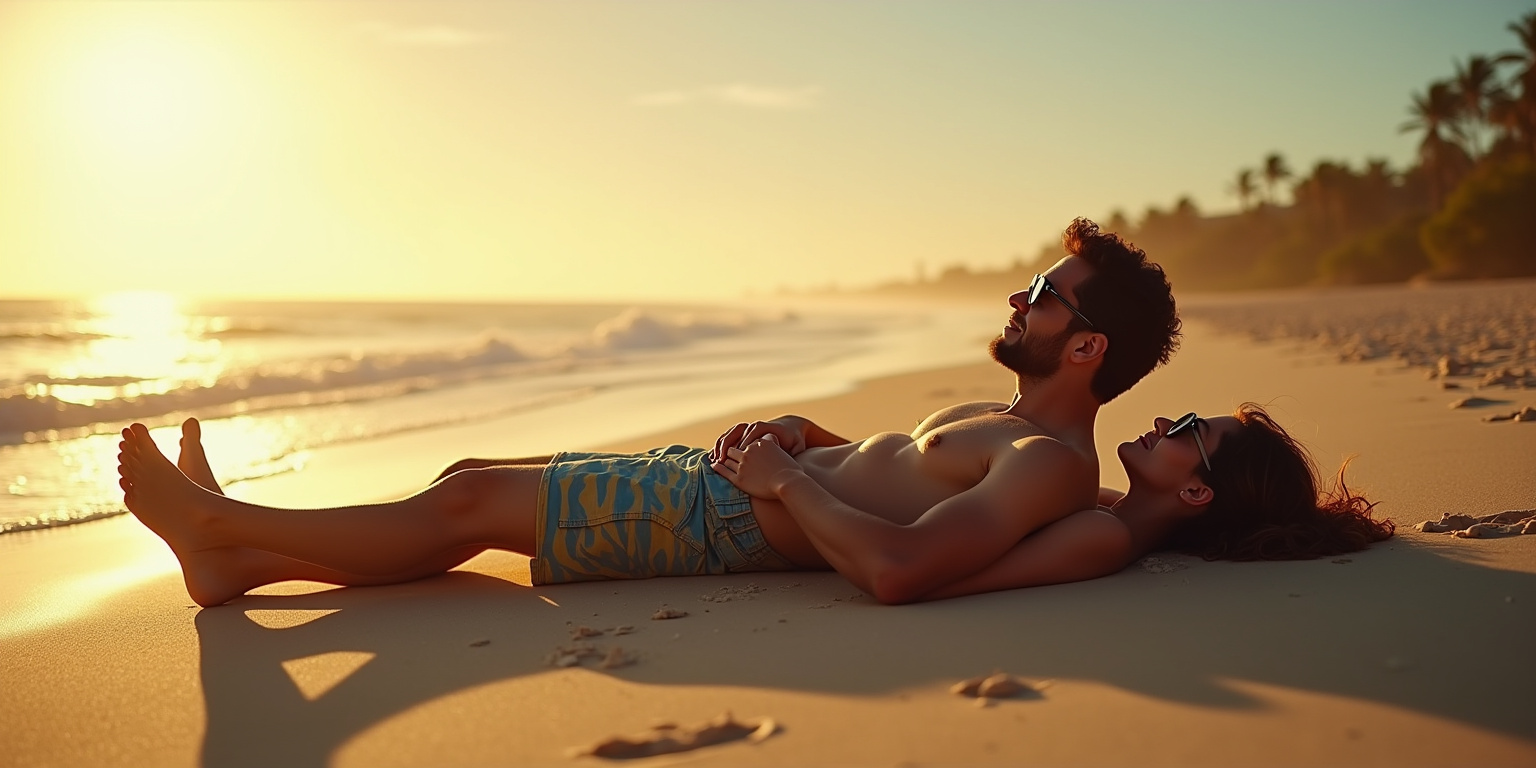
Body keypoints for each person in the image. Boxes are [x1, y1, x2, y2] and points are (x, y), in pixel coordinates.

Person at [117, 218, 1189, 607]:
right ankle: (240, 561)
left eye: (1044, 295)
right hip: (728, 489)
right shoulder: (1005, 425)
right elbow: (892, 474)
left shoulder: (1050, 464)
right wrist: (807, 441)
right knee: (473, 478)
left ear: (1085, 346)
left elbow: (902, 567)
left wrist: (782, 483)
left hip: (725, 518)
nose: (1021, 297)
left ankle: (223, 528)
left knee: (476, 502)